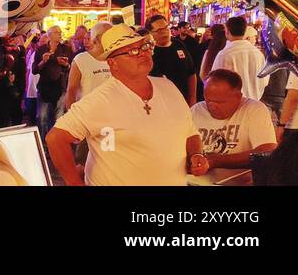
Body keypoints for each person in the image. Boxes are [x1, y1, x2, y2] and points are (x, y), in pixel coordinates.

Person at [47, 24, 208, 186]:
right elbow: (55, 138)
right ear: (113, 63)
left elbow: (190, 131)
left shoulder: (168, 87)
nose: (143, 54)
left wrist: (196, 154)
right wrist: (74, 183)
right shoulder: (100, 99)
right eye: (132, 51)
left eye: (144, 47)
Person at [190, 69, 276, 185]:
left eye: (220, 102)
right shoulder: (196, 110)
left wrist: (214, 161)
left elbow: (267, 150)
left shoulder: (254, 109)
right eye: (208, 100)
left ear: (238, 96)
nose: (212, 106)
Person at [208, 17, 268, 102]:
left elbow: (215, 81)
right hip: (254, 103)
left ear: (227, 31)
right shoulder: (258, 54)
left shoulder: (224, 54)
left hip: (231, 105)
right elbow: (265, 81)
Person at [31, 26, 73, 138]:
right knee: (41, 117)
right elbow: (34, 70)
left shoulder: (66, 49)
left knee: (58, 117)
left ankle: (55, 141)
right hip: (45, 86)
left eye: (60, 32)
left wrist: (66, 65)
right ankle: (43, 142)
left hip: (60, 86)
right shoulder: (41, 49)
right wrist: (43, 61)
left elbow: (72, 68)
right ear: (49, 35)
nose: (60, 34)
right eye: (56, 32)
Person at [148, 14, 197, 105]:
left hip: (184, 99)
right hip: (161, 102)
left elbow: (191, 72)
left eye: (166, 28)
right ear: (150, 33)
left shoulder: (178, 44)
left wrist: (192, 97)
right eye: (159, 30)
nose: (164, 32)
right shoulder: (148, 52)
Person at [65, 21, 112, 110]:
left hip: (111, 114)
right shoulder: (81, 59)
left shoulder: (117, 59)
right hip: (87, 114)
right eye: (110, 35)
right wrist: (71, 116)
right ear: (98, 38)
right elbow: (71, 91)